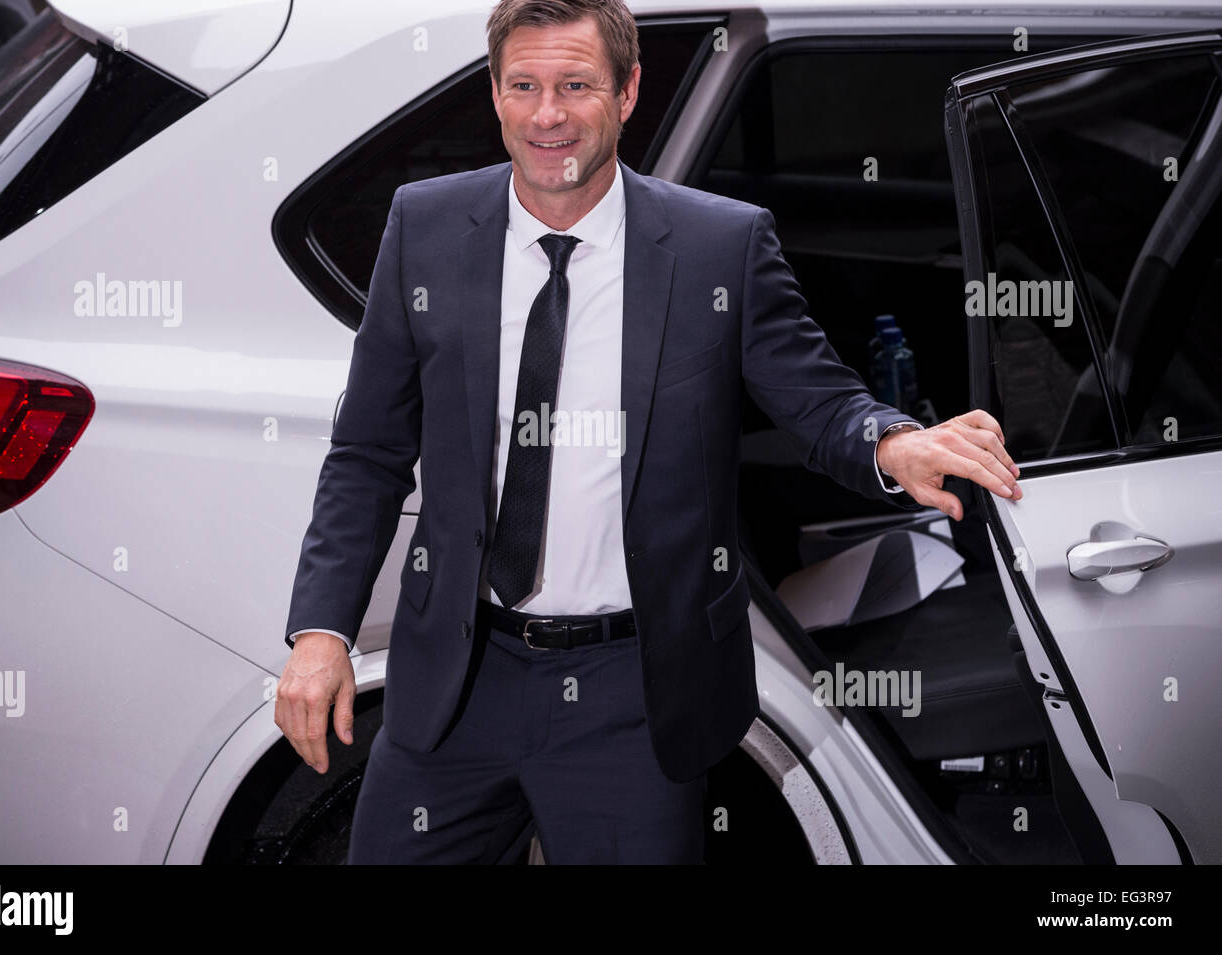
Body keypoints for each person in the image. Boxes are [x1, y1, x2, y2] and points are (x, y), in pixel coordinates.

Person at [275, 0, 1022, 864]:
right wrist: (320, 630)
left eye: (577, 85)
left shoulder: (720, 246)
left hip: (633, 691)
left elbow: (817, 401)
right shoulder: (427, 228)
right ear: (496, 94)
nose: (548, 113)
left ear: (628, 93)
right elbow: (367, 453)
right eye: (525, 85)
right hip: (458, 679)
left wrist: (892, 443)